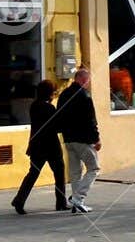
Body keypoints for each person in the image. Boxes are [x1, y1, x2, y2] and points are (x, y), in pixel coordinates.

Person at [11, 80, 67, 214]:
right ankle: (60, 202)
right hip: (51, 146)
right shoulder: (49, 108)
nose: (54, 94)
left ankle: (19, 199)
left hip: (37, 146)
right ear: (49, 93)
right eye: (53, 92)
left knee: (33, 174)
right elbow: (56, 127)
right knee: (59, 174)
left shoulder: (34, 106)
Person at [56, 68, 101, 214]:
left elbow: (59, 117)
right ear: (83, 80)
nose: (88, 83)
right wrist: (96, 139)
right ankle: (78, 197)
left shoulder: (63, 95)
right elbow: (90, 120)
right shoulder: (84, 96)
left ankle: (77, 203)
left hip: (68, 139)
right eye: (88, 80)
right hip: (82, 139)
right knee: (94, 168)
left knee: (75, 172)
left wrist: (64, 133)